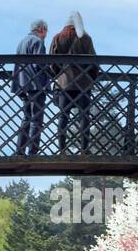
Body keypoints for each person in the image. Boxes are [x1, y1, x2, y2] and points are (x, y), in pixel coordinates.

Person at [48, 12, 98, 153]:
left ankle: (62, 148)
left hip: (65, 83)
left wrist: (58, 74)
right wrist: (92, 78)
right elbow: (93, 61)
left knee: (64, 115)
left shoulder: (58, 37)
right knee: (84, 116)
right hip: (83, 83)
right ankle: (84, 148)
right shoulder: (86, 38)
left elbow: (52, 62)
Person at [12, 19, 48, 156]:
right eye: (46, 31)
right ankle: (33, 151)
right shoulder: (38, 42)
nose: (46, 34)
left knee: (26, 118)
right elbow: (39, 64)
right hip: (35, 84)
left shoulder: (22, 42)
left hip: (22, 85)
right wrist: (51, 72)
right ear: (42, 29)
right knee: (36, 119)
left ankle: (19, 151)